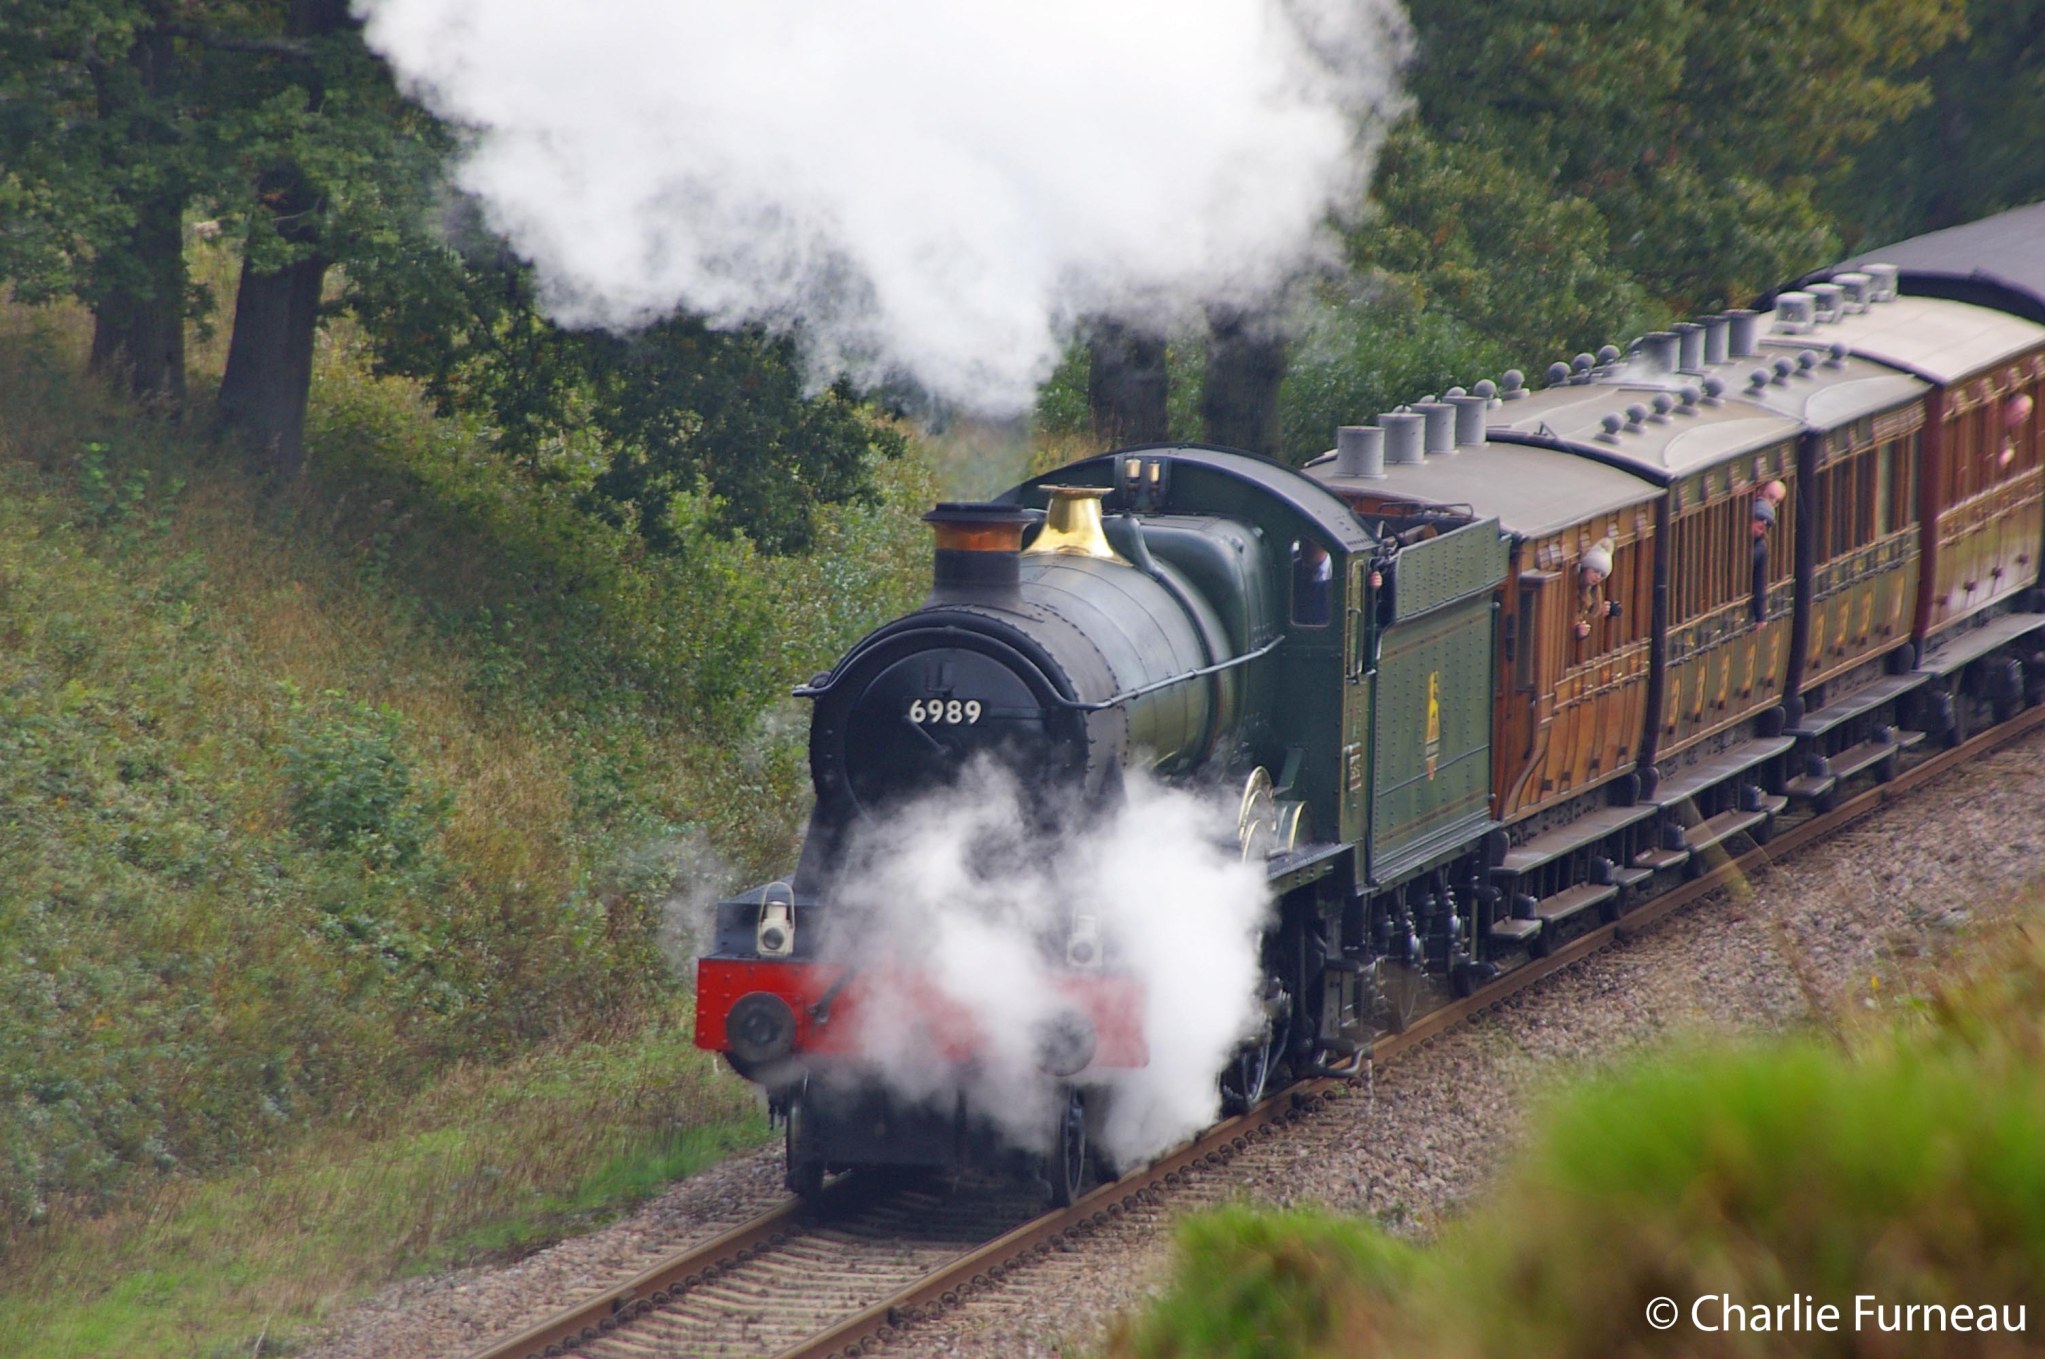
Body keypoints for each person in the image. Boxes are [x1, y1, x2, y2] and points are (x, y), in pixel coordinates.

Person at [1575, 537, 1620, 640]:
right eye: (1595, 571)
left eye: (1602, 574)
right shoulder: (1574, 589)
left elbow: (1592, 618)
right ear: (1586, 568)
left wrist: (1601, 614)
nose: (1598, 577)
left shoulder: (1595, 591)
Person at [1292, 539, 1332, 626]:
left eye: (1310, 545)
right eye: (1303, 544)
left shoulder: (1340, 570)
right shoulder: (1292, 571)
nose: (1304, 550)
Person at [1750, 498, 1776, 622]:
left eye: (1766, 524)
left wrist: (1760, 617)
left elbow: (1760, 581)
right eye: (1759, 519)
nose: (1762, 525)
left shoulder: (1760, 547)